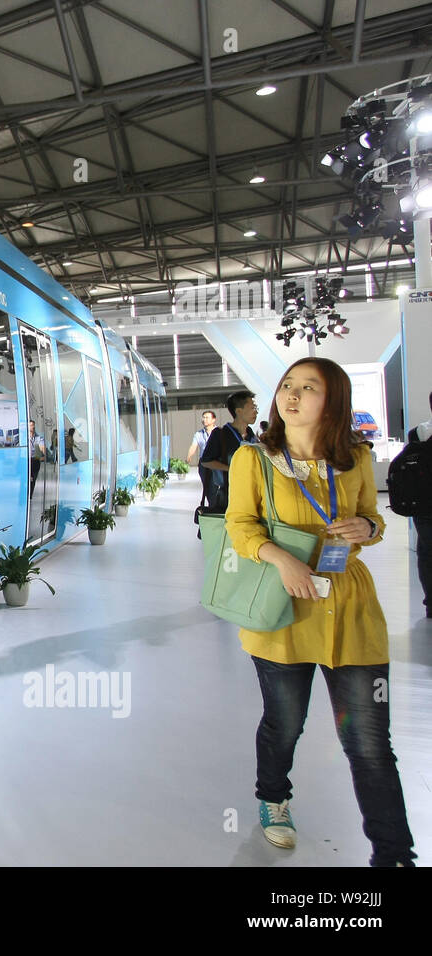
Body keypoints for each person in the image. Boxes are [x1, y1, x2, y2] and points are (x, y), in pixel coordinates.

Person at [224, 357, 416, 866]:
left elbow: (375, 517)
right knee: (284, 722)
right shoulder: (255, 459)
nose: (292, 396)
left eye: (308, 388)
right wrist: (281, 558)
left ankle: (394, 854)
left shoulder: (355, 457)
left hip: (350, 609)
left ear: (333, 402)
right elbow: (240, 525)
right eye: (288, 385)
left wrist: (367, 530)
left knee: (370, 744)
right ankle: (273, 799)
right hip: (283, 608)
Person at [199, 390, 259, 514]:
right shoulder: (220, 434)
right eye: (252, 407)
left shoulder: (252, 435)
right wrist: (231, 468)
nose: (256, 411)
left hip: (252, 492)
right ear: (238, 411)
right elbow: (206, 461)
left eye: (256, 408)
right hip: (228, 495)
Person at [409, 391, 432, 617]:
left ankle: (431, 603)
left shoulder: (417, 433)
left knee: (426, 553)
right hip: (425, 504)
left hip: (423, 503)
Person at [188, 410, 218, 508]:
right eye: (203, 417)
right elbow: (193, 446)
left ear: (213, 420)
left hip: (216, 463)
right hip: (204, 464)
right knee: (207, 487)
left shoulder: (219, 432)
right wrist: (189, 457)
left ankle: (214, 506)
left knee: (214, 486)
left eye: (207, 417)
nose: (204, 419)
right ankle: (212, 505)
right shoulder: (199, 434)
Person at [28, 420, 47, 494]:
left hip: (35, 460)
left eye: (33, 425)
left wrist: (42, 450)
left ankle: (30, 496)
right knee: (27, 479)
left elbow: (42, 449)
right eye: (31, 425)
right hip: (27, 460)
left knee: (33, 480)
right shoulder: (23, 438)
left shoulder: (39, 438)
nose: (33, 427)